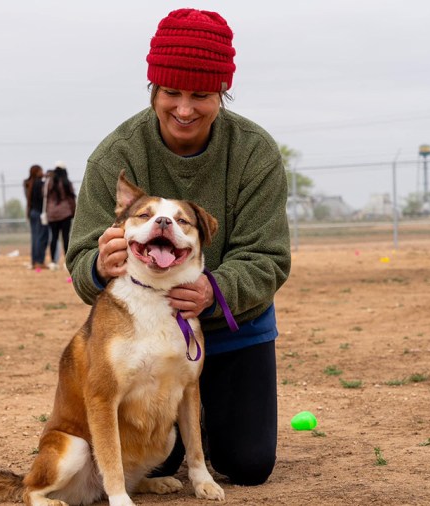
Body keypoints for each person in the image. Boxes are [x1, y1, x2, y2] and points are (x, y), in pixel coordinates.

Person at [66, 8, 290, 486]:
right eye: (172, 92)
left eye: (201, 95)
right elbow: (80, 257)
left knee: (248, 465)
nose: (185, 109)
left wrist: (215, 290)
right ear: (153, 89)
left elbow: (268, 256)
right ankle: (176, 433)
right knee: (154, 462)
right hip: (142, 331)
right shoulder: (115, 156)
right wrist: (97, 265)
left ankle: (211, 426)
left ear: (222, 94)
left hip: (232, 326)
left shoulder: (255, 152)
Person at [45, 162, 76, 271]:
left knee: (53, 237)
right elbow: (71, 198)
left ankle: (53, 261)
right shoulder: (67, 182)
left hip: (52, 213)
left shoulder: (49, 183)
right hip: (65, 213)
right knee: (65, 237)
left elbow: (45, 196)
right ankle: (67, 262)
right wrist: (73, 211)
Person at [23, 165, 50, 270]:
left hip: (32, 212)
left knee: (35, 238)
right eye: (41, 171)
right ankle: (39, 261)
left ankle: (34, 261)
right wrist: (47, 177)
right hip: (40, 213)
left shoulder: (29, 183)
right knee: (42, 237)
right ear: (37, 172)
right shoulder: (40, 184)